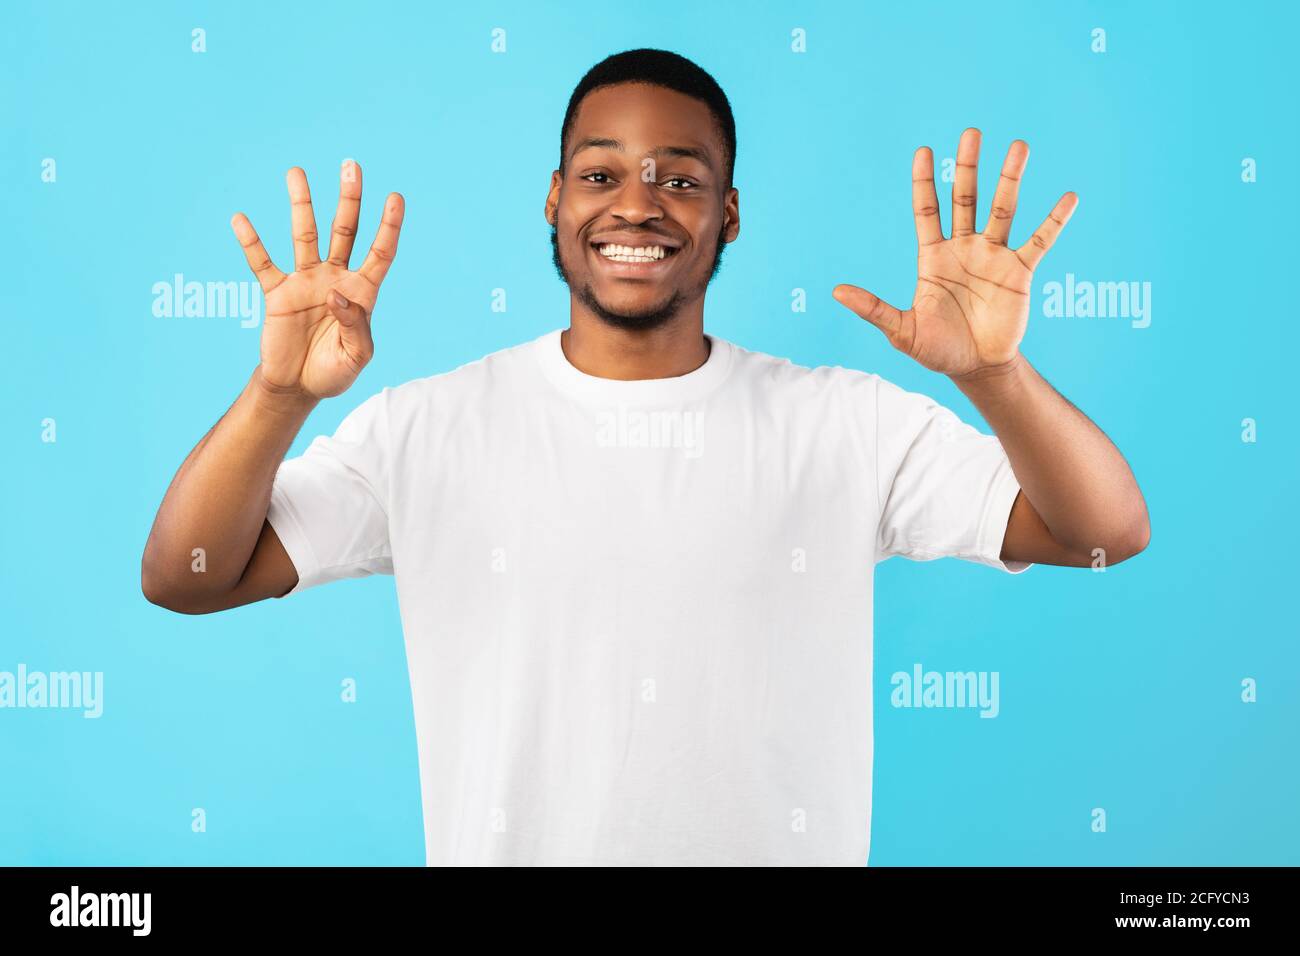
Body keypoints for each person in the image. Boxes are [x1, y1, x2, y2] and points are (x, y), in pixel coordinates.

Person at [142, 48, 1149, 865]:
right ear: (553, 199)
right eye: (600, 173)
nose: (637, 202)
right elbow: (189, 575)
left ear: (729, 215)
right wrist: (277, 395)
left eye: (680, 176)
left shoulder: (844, 423)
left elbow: (1101, 532)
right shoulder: (425, 427)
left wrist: (992, 376)